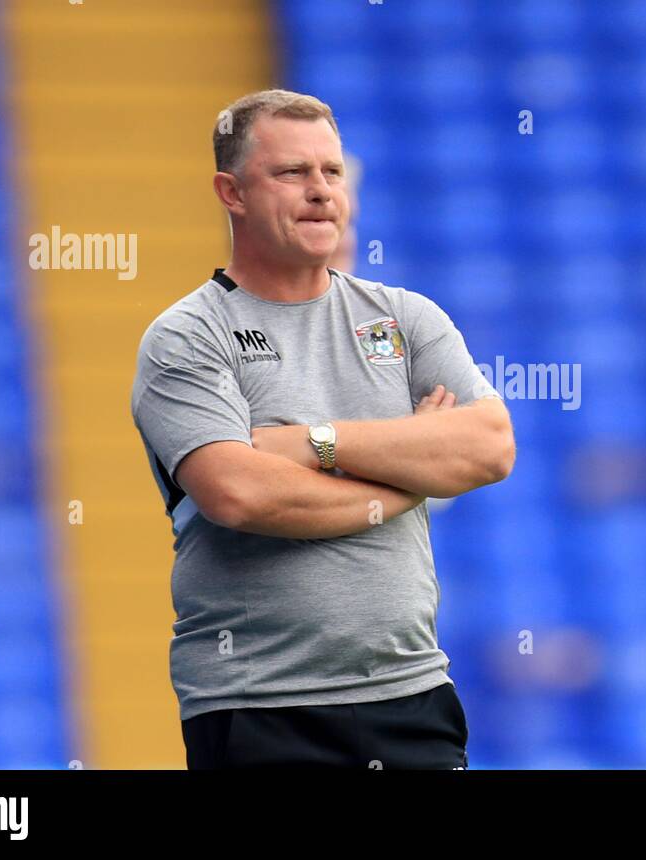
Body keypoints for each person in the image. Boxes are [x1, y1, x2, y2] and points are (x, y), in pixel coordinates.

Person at [129, 89, 514, 769]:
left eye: (330, 172)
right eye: (290, 174)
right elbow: (242, 495)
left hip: (413, 692)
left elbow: (489, 447)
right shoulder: (186, 338)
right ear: (232, 192)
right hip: (259, 703)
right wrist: (404, 478)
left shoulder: (406, 317)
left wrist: (317, 444)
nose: (319, 192)